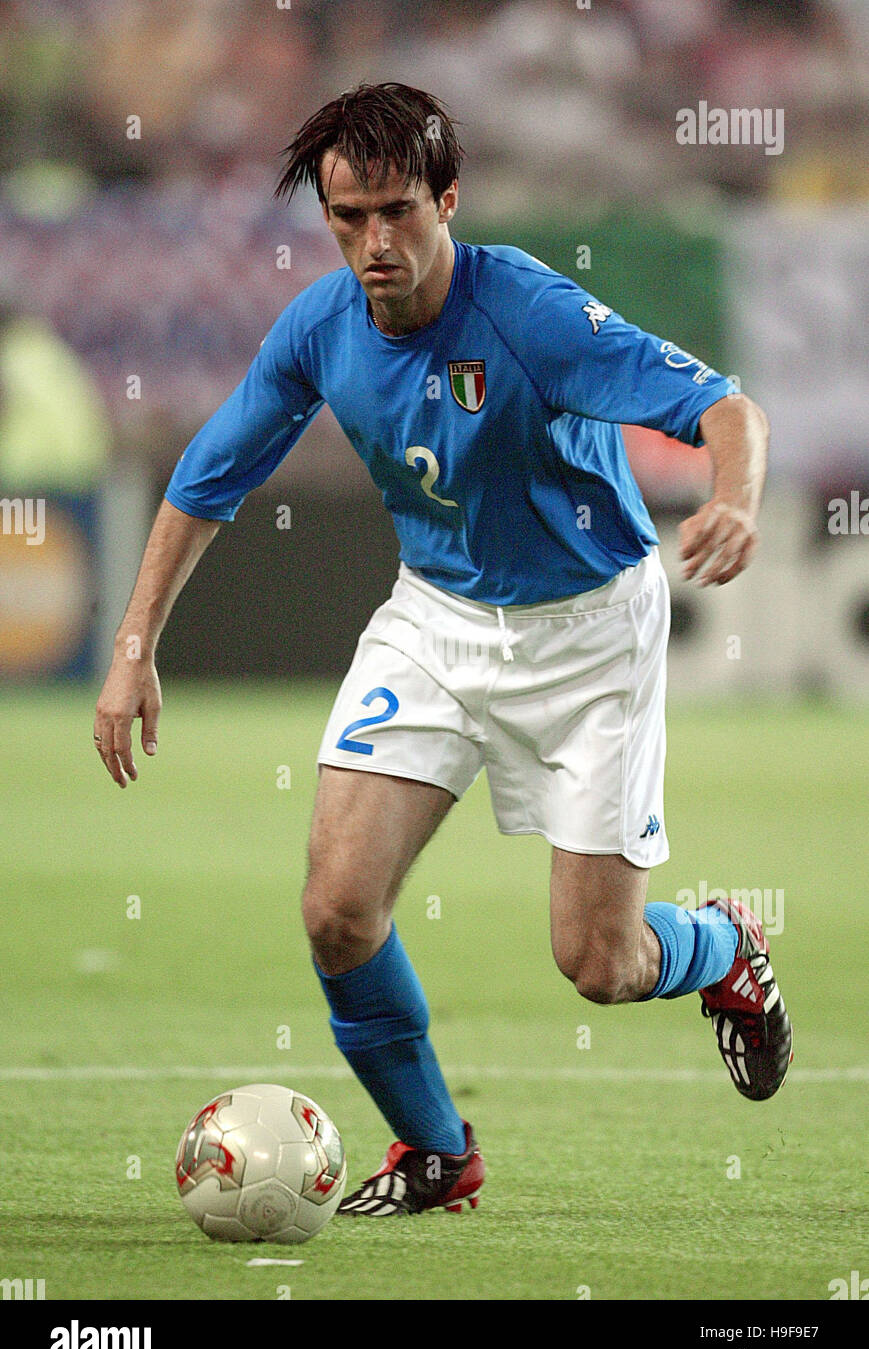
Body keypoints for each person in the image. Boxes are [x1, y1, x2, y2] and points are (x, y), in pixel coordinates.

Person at [93, 83, 792, 1219]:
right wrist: (133, 647)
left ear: (447, 199)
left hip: (586, 638)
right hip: (434, 619)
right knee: (335, 909)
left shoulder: (528, 312)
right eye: (348, 216)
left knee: (599, 966)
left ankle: (721, 946)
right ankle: (433, 1149)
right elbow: (203, 480)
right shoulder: (320, 330)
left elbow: (729, 411)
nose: (374, 242)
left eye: (398, 213)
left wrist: (736, 498)